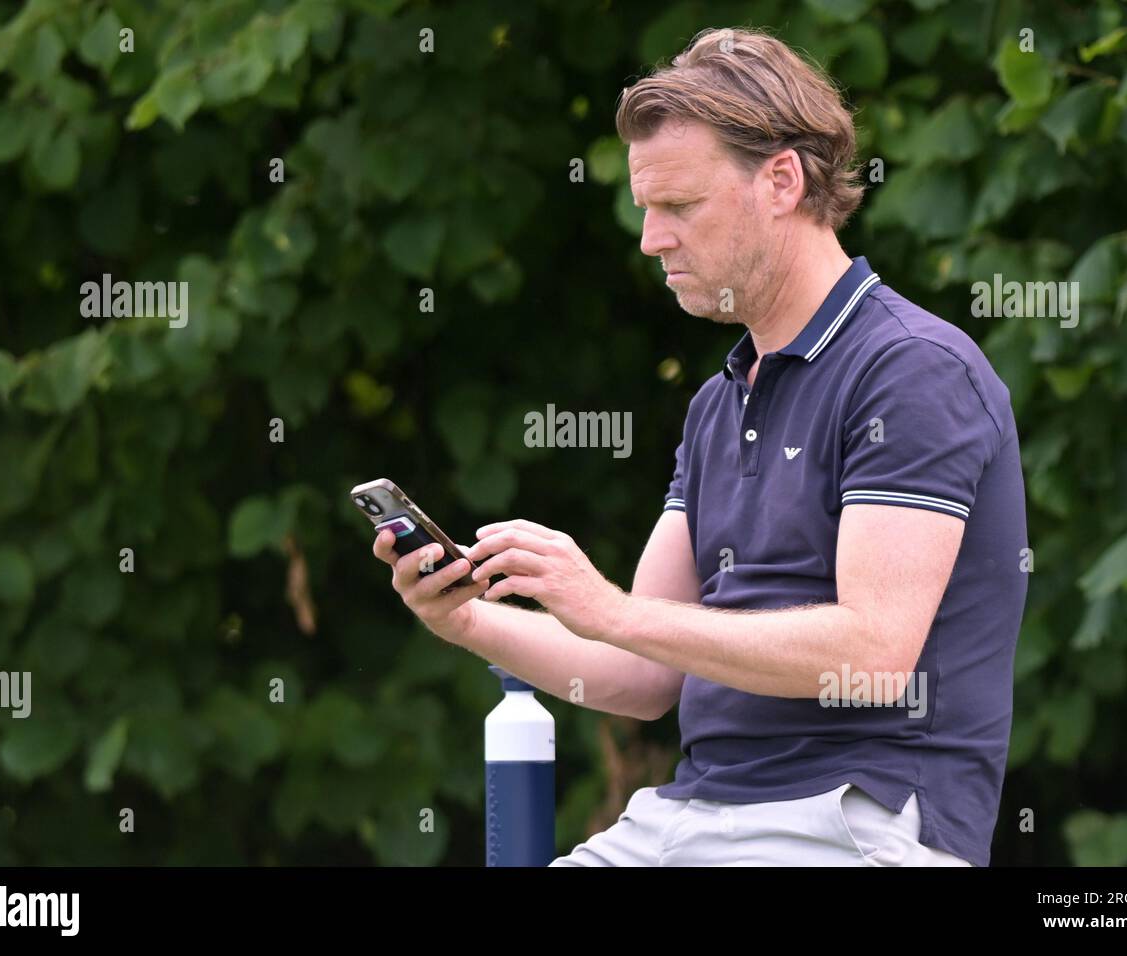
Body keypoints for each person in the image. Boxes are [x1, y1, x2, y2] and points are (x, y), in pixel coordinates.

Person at [372, 26, 1027, 867]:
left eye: (679, 207)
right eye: (647, 208)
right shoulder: (722, 400)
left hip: (849, 822)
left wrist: (609, 607)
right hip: (687, 820)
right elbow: (643, 679)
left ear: (782, 180)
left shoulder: (912, 372)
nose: (650, 239)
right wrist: (467, 620)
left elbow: (873, 649)